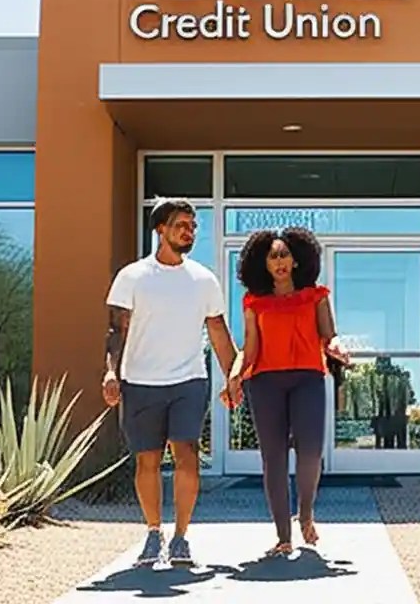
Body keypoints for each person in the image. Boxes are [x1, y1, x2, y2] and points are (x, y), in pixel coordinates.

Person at [103, 198, 239, 567]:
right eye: (182, 224)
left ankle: (181, 536)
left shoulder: (203, 279)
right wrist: (111, 371)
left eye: (193, 225)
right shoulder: (132, 276)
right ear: (160, 229)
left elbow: (219, 332)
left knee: (187, 455)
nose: (190, 231)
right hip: (141, 381)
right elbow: (117, 329)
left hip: (188, 380)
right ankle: (152, 533)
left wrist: (234, 376)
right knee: (147, 461)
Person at [223, 226, 348, 557]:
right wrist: (234, 377)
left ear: (296, 261)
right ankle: (283, 536)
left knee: (310, 451)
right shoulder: (254, 301)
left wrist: (339, 349)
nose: (279, 261)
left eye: (284, 255)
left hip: (308, 377)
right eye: (272, 256)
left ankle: (305, 512)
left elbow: (329, 336)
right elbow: (248, 349)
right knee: (273, 459)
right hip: (265, 383)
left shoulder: (316, 296)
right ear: (263, 264)